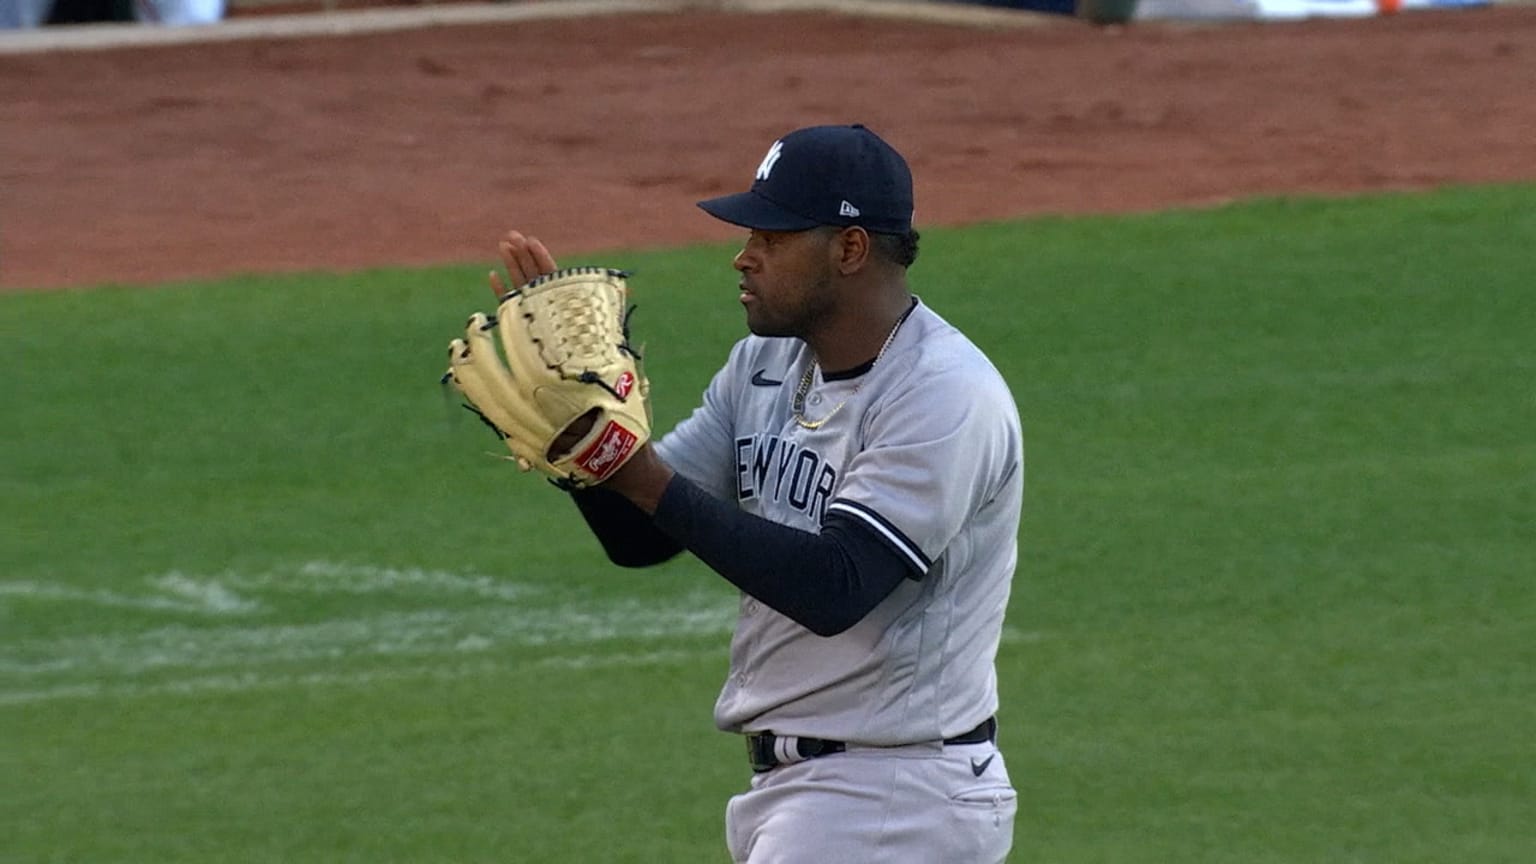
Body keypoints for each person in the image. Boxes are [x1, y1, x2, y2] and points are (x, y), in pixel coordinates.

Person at [490, 124, 1023, 863]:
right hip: (808, 796)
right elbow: (641, 537)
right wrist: (579, 438)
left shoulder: (942, 395)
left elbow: (836, 586)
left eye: (771, 236)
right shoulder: (763, 365)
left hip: (895, 795)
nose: (743, 256)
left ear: (849, 249)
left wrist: (630, 467)